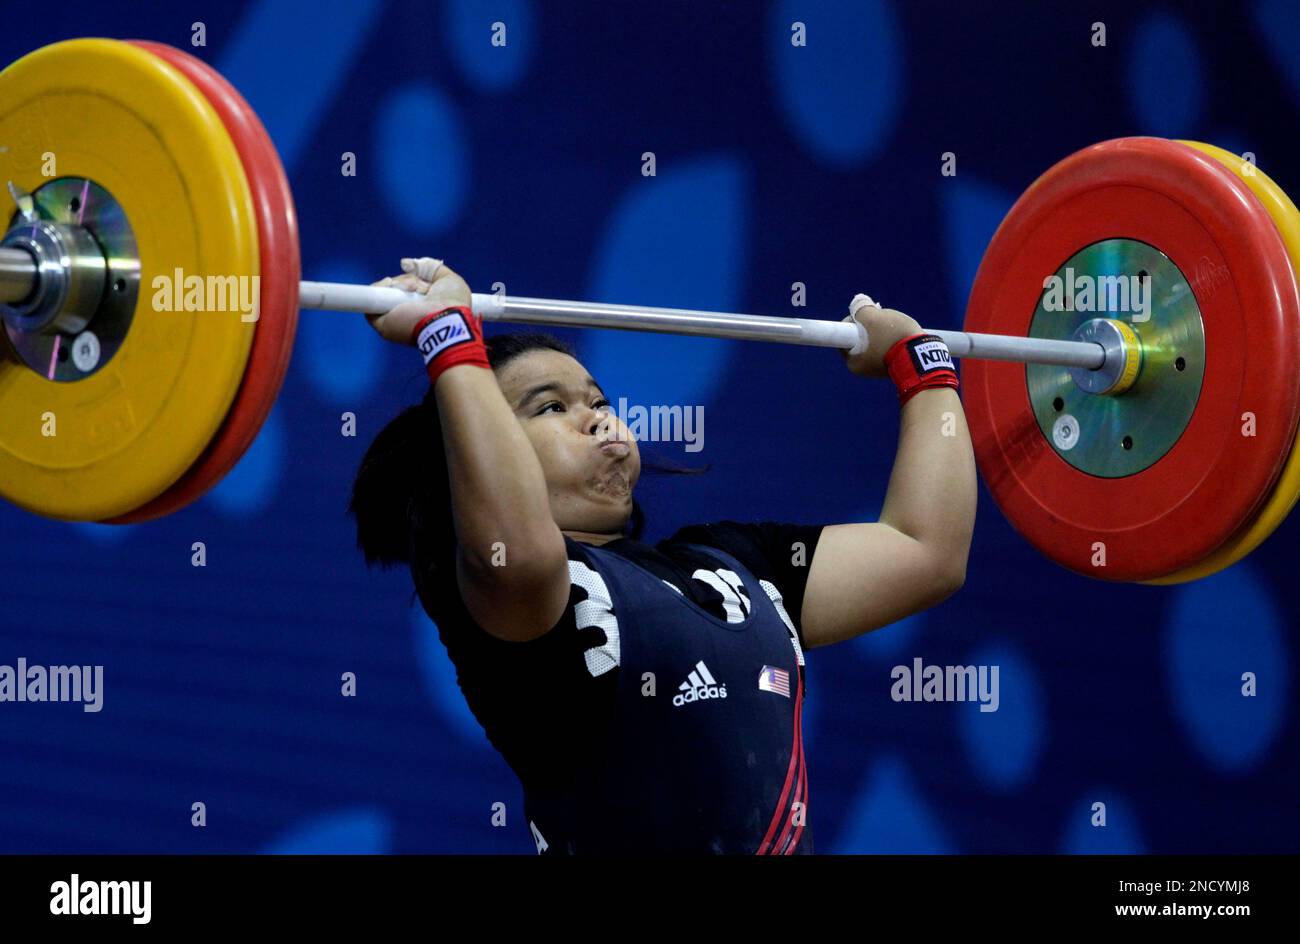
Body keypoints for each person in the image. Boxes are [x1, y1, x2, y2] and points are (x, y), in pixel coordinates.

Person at [349, 257, 977, 854]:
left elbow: (926, 551)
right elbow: (515, 548)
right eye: (551, 407)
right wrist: (450, 339)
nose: (597, 419)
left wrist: (919, 364)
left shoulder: (734, 561)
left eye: (598, 401)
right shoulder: (502, 597)